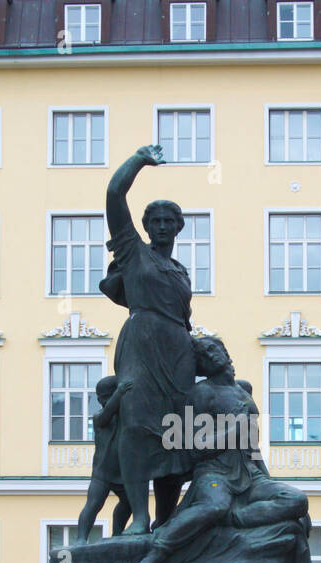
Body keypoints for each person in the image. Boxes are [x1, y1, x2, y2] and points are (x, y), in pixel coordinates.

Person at [128, 337, 310, 563]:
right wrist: (234, 430)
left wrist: (266, 479)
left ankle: (233, 518)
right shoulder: (203, 393)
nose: (210, 356)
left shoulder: (243, 391)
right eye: (203, 356)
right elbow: (192, 447)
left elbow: (253, 444)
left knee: (296, 500)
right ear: (201, 366)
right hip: (214, 473)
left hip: (249, 473)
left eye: (213, 349)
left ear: (225, 351)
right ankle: (154, 557)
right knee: (214, 505)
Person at [101, 144, 194, 534]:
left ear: (177, 227)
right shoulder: (133, 252)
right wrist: (139, 159)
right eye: (153, 219)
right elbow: (113, 194)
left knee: (178, 434)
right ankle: (140, 516)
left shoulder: (179, 269)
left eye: (166, 220)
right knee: (137, 424)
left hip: (178, 348)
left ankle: (166, 518)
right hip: (141, 340)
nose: (159, 225)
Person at [76, 376, 134, 544]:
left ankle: (117, 534)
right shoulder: (100, 417)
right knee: (93, 505)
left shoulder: (125, 416)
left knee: (129, 503)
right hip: (103, 473)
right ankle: (81, 539)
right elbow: (108, 412)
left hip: (122, 473)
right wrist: (120, 392)